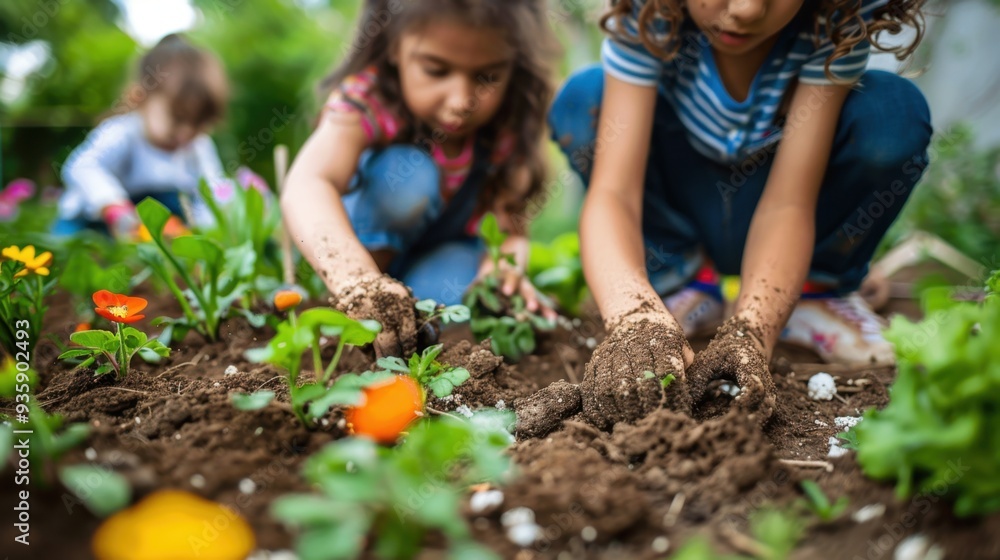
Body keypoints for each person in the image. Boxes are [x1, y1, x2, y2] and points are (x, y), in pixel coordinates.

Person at [548, 0, 931, 424]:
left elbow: (789, 203)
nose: (747, 10)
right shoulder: (650, 13)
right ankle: (682, 279)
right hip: (684, 205)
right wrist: (631, 318)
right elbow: (613, 193)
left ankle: (812, 291)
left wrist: (752, 331)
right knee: (584, 97)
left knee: (892, 111)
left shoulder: (833, 23)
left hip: (779, 219)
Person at [283, 0, 559, 357]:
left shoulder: (506, 128)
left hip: (435, 260)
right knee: (408, 178)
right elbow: (308, 182)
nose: (461, 101)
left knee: (462, 294)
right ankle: (357, 313)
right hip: (352, 256)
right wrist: (357, 282)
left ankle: (402, 325)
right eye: (436, 70)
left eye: (487, 77)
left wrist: (499, 273)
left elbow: (509, 230)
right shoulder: (368, 99)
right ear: (395, 46)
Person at [54, 33, 229, 238]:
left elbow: (211, 193)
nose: (187, 132)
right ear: (141, 98)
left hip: (150, 225)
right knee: (75, 243)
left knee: (174, 201)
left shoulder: (198, 146)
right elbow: (82, 167)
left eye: (200, 122)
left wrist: (202, 235)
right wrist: (114, 206)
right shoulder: (123, 131)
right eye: (178, 118)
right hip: (92, 220)